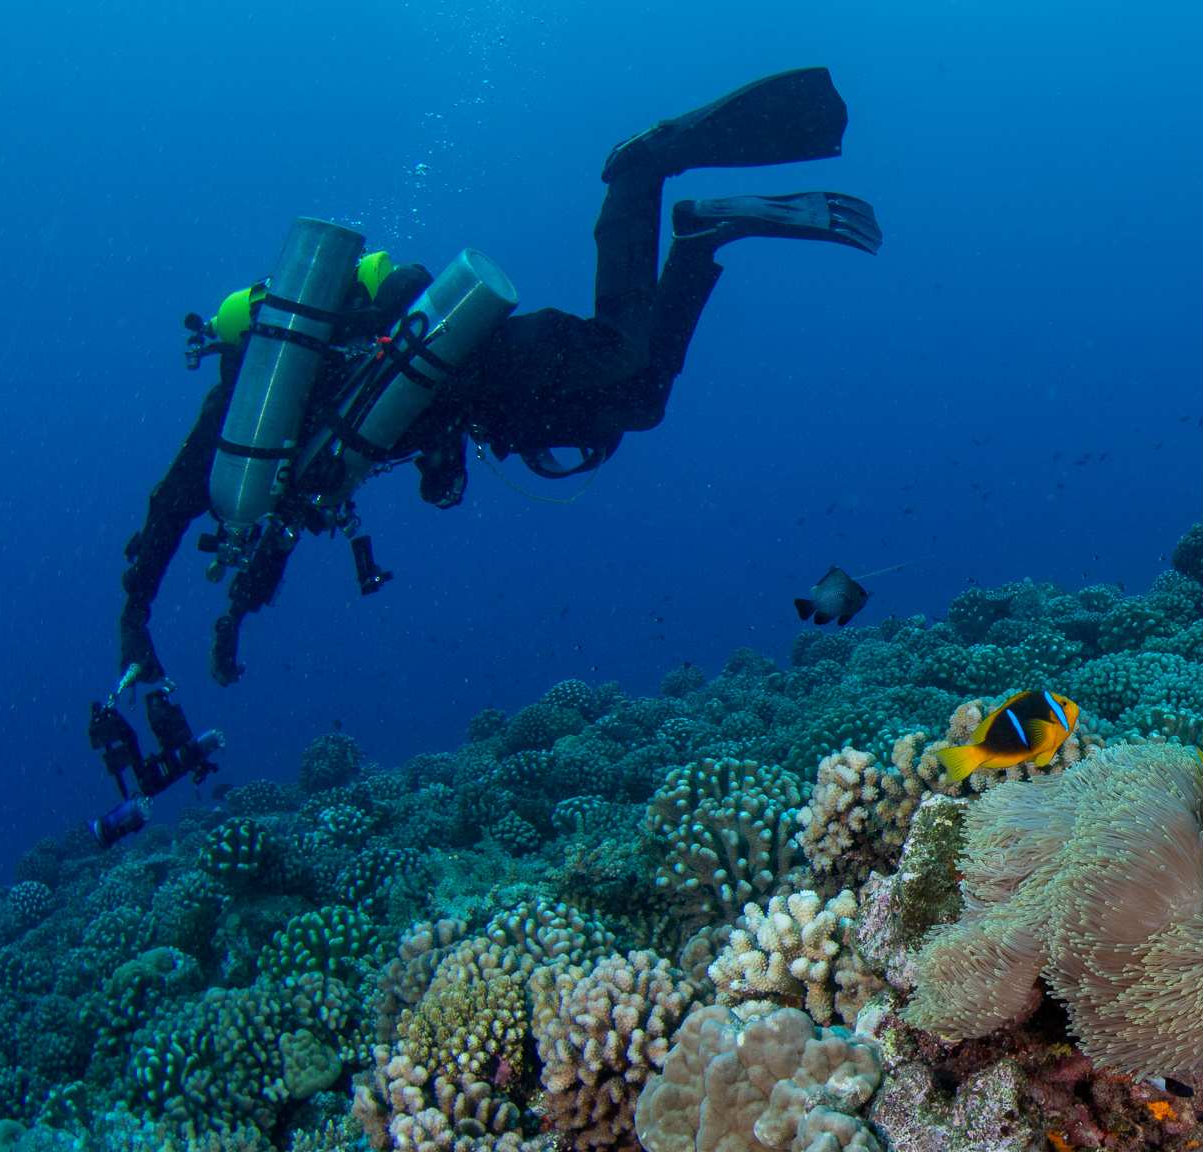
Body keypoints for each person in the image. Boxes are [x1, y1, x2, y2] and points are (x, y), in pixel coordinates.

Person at [95, 68, 881, 826]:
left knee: (618, 351)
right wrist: (232, 616)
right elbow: (276, 527)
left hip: (500, 363)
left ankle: (636, 169)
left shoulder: (246, 420)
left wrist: (139, 619)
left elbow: (167, 511)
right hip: (496, 405)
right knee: (640, 403)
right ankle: (700, 239)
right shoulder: (278, 446)